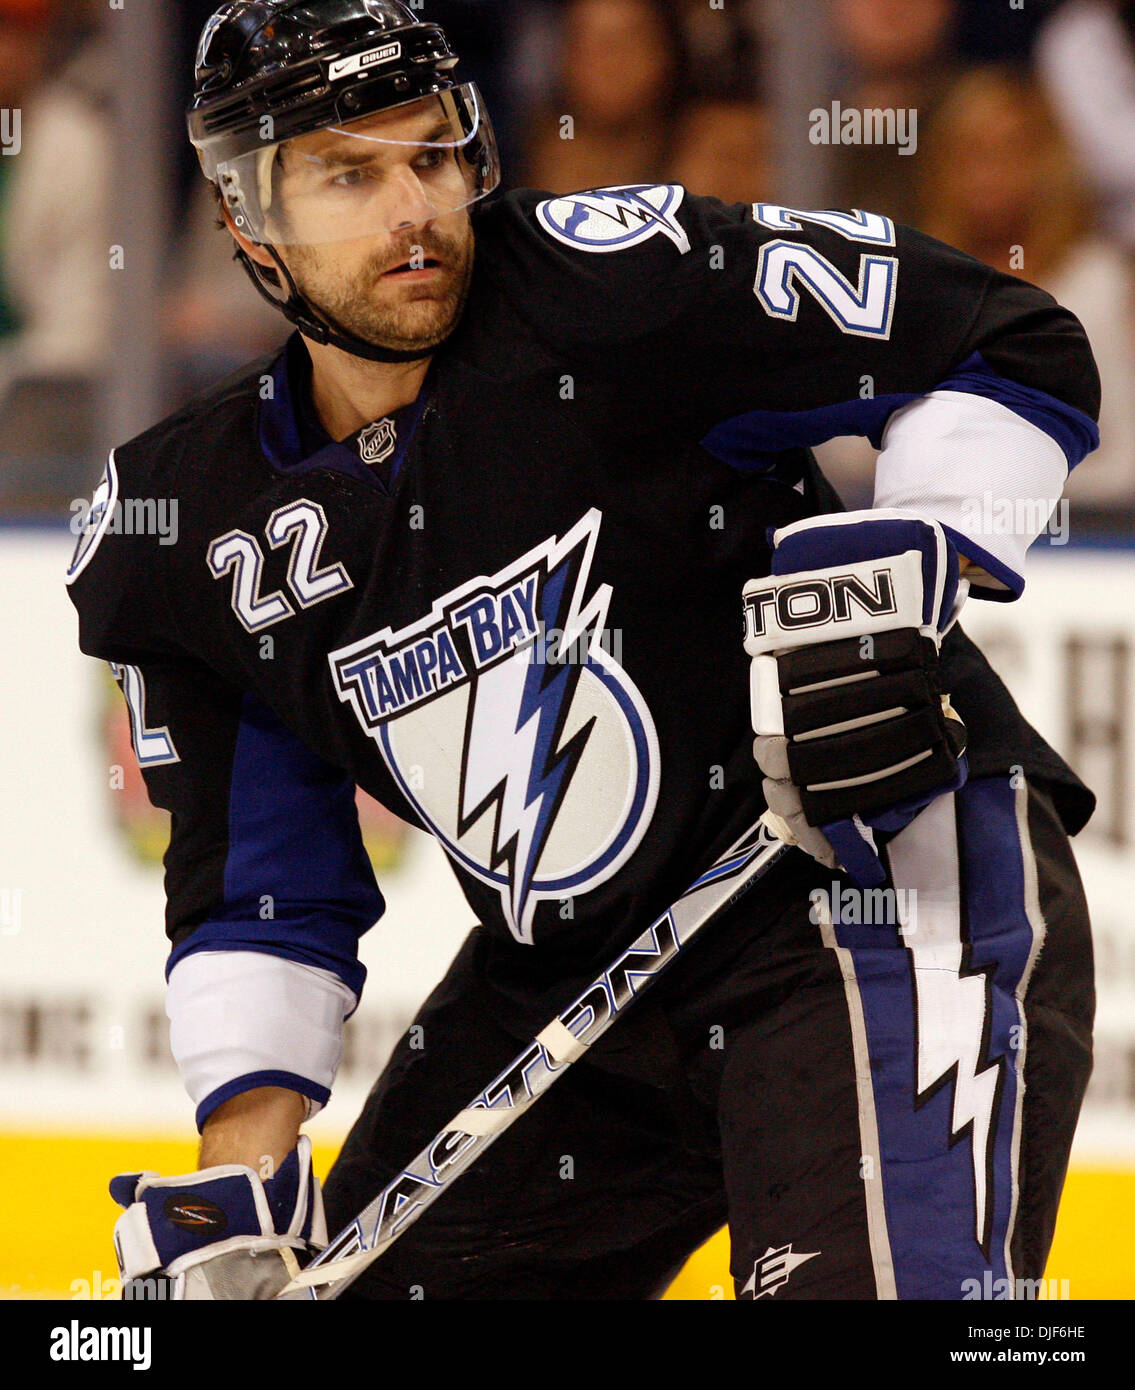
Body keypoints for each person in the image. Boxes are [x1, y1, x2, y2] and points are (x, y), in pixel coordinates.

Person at [69, 0, 1099, 1301]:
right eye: (349, 173)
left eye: (434, 153)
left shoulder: (610, 286)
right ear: (240, 219)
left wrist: (912, 567)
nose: (412, 209)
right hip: (574, 987)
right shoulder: (195, 526)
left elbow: (1010, 342)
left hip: (870, 885)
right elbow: (262, 889)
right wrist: (242, 1184)